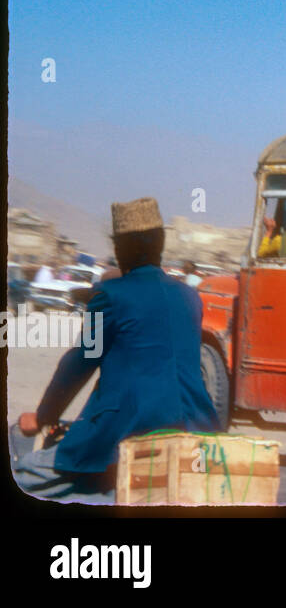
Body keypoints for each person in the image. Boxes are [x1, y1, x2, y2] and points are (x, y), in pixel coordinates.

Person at [10, 197, 219, 503]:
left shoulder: (108, 296)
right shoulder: (190, 297)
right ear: (160, 244)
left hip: (126, 432)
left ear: (120, 249)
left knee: (28, 473)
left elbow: (80, 362)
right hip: (196, 431)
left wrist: (43, 416)